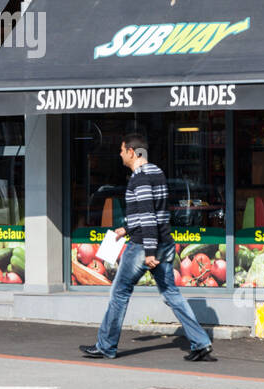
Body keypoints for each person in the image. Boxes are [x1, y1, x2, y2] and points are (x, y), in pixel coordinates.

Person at [80, 132, 214, 361]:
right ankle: (201, 342)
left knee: (119, 293)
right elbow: (155, 212)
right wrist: (126, 229)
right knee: (171, 293)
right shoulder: (157, 172)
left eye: (122, 151)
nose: (120, 155)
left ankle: (106, 346)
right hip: (165, 242)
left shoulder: (139, 178)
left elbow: (149, 217)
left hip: (144, 246)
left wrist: (149, 252)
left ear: (132, 152)